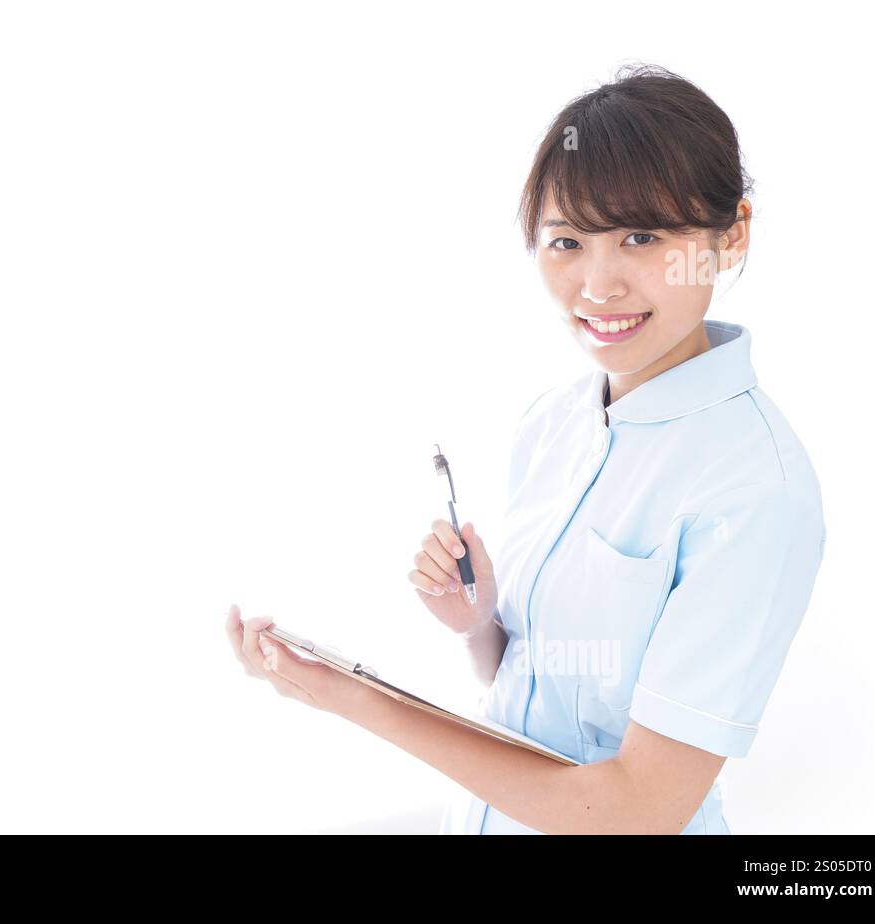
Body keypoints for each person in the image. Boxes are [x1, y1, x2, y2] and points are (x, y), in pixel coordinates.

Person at [223, 63, 826, 834]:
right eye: (567, 241)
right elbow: (538, 686)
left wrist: (354, 698)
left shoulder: (755, 489)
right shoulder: (554, 423)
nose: (597, 286)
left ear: (730, 234)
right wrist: (481, 627)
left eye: (641, 236)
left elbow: (638, 809)